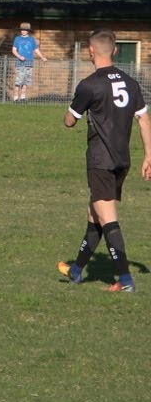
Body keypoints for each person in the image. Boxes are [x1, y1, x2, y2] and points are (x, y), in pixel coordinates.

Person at [57, 29, 151, 293]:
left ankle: (125, 279)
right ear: (116, 51)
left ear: (90, 50)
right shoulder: (131, 83)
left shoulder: (89, 84)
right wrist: (149, 156)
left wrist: (71, 112)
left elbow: (69, 121)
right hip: (123, 159)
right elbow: (144, 119)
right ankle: (76, 270)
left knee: (107, 218)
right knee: (94, 213)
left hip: (101, 159)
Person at [11, 22, 47, 102]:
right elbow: (14, 50)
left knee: (26, 81)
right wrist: (19, 56)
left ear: (28, 31)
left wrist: (42, 57)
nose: (23, 31)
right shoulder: (17, 39)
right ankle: (16, 98)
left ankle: (23, 97)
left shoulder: (32, 39)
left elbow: (36, 50)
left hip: (29, 63)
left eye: (25, 30)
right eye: (22, 30)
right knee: (18, 80)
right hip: (20, 63)